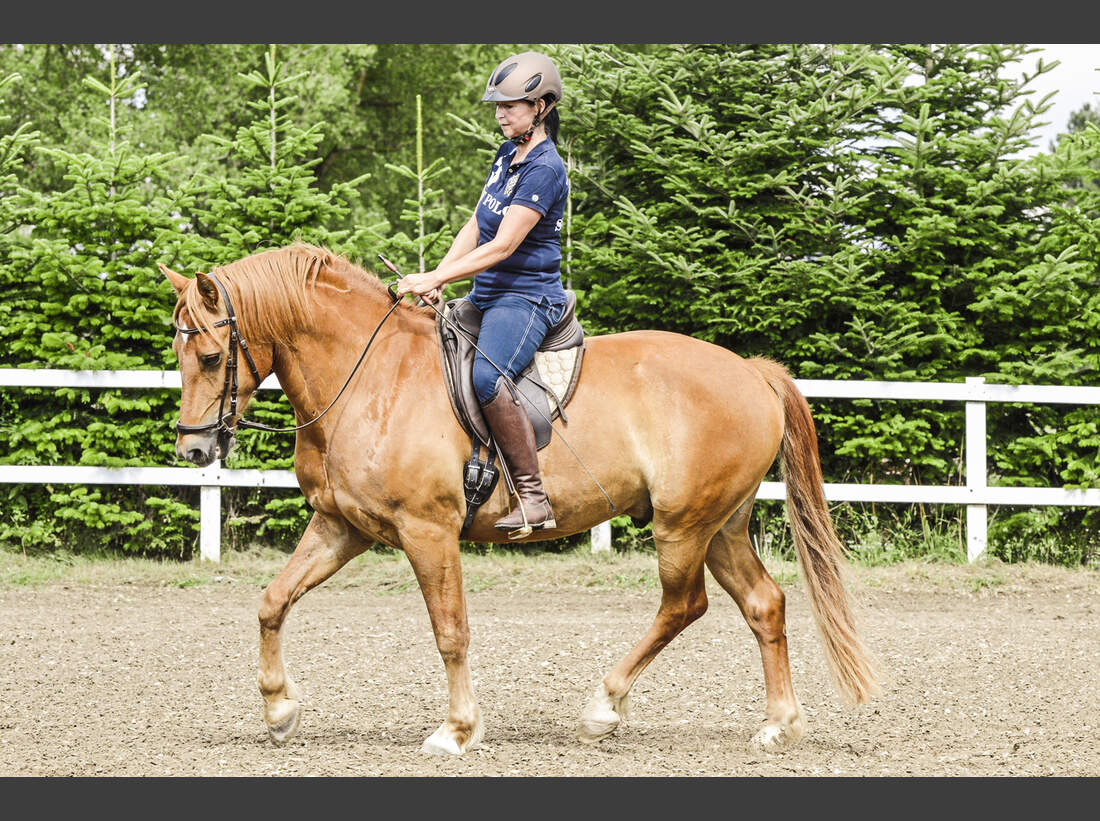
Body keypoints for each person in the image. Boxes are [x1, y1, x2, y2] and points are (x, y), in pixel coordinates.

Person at [395, 50, 569, 538]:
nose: (500, 113)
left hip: (526, 297)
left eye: (511, 105)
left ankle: (533, 498)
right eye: (497, 105)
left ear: (541, 106)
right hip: (487, 291)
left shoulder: (545, 168)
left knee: (489, 378)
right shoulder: (506, 155)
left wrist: (432, 280)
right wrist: (442, 276)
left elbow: (505, 244)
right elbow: (477, 224)